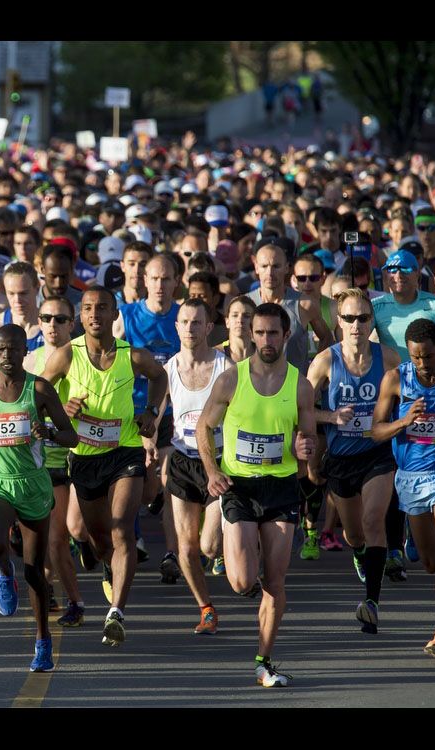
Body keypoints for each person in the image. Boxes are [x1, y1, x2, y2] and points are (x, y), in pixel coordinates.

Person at [196, 302, 317, 687]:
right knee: (241, 581)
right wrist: (212, 471)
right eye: (260, 333)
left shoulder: (300, 385)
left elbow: (310, 439)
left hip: (281, 487)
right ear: (251, 334)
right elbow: (203, 428)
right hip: (239, 486)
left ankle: (264, 661)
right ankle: (240, 546)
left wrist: (306, 449)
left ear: (286, 336)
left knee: (275, 581)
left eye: (274, 333)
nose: (266, 340)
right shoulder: (232, 380)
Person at [41, 286, 168, 647]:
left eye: (102, 308)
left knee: (122, 530)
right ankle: (104, 564)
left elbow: (160, 378)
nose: (94, 314)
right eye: (87, 308)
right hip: (83, 457)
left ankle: (117, 613)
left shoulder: (134, 356)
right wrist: (61, 410)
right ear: (80, 317)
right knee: (99, 541)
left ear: (115, 315)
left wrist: (152, 413)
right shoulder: (66, 356)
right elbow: (39, 393)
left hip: (125, 452)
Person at [0, 323, 77, 671]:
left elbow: (71, 437)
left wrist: (48, 431)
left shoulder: (39, 389)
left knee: (35, 572)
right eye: (1, 350)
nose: (7, 356)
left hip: (33, 485)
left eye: (14, 350)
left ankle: (42, 642)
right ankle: (4, 573)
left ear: (24, 351)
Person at [371, 319, 435, 659]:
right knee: (430, 563)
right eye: (416, 357)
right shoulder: (396, 379)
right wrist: (403, 420)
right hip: (411, 477)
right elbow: (376, 431)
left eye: (428, 356)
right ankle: (415, 538)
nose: (423, 364)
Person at [307, 288, 400, 633]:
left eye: (363, 318)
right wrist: (330, 418)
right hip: (341, 459)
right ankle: (360, 552)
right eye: (348, 318)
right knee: (355, 533)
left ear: (371, 321)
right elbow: (302, 407)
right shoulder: (325, 361)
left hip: (377, 454)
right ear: (338, 321)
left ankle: (372, 602)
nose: (356, 325)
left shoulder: (388, 357)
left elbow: (406, 397)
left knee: (374, 519)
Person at [163, 299, 231, 633]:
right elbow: (156, 414)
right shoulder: (169, 370)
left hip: (218, 462)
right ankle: (206, 609)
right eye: (184, 322)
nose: (190, 328)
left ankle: (241, 542)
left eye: (196, 323)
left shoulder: (224, 367)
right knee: (186, 548)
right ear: (176, 327)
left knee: (209, 546)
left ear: (208, 328)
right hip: (182, 460)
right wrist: (150, 448)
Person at [113, 253, 183, 584]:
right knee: (139, 482)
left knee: (169, 480)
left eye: (166, 278)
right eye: (153, 278)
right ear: (144, 281)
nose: (159, 285)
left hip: (173, 413)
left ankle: (171, 553)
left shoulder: (184, 318)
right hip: (132, 412)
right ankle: (137, 529)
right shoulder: (126, 317)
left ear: (176, 282)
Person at [25, 295, 88, 627]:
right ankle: (75, 602)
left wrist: (79, 412)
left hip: (83, 455)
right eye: (46, 318)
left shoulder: (84, 357)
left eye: (60, 319)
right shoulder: (27, 362)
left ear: (72, 323)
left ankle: (96, 551)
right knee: (54, 537)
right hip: (43, 461)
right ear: (38, 322)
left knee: (79, 529)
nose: (53, 325)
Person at [248, 242, 332, 375]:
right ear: (256, 268)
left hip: (295, 388)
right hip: (255, 387)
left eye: (276, 266)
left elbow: (326, 337)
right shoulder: (246, 305)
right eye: (264, 266)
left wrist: (315, 374)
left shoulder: (305, 304)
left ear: (287, 268)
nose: (270, 272)